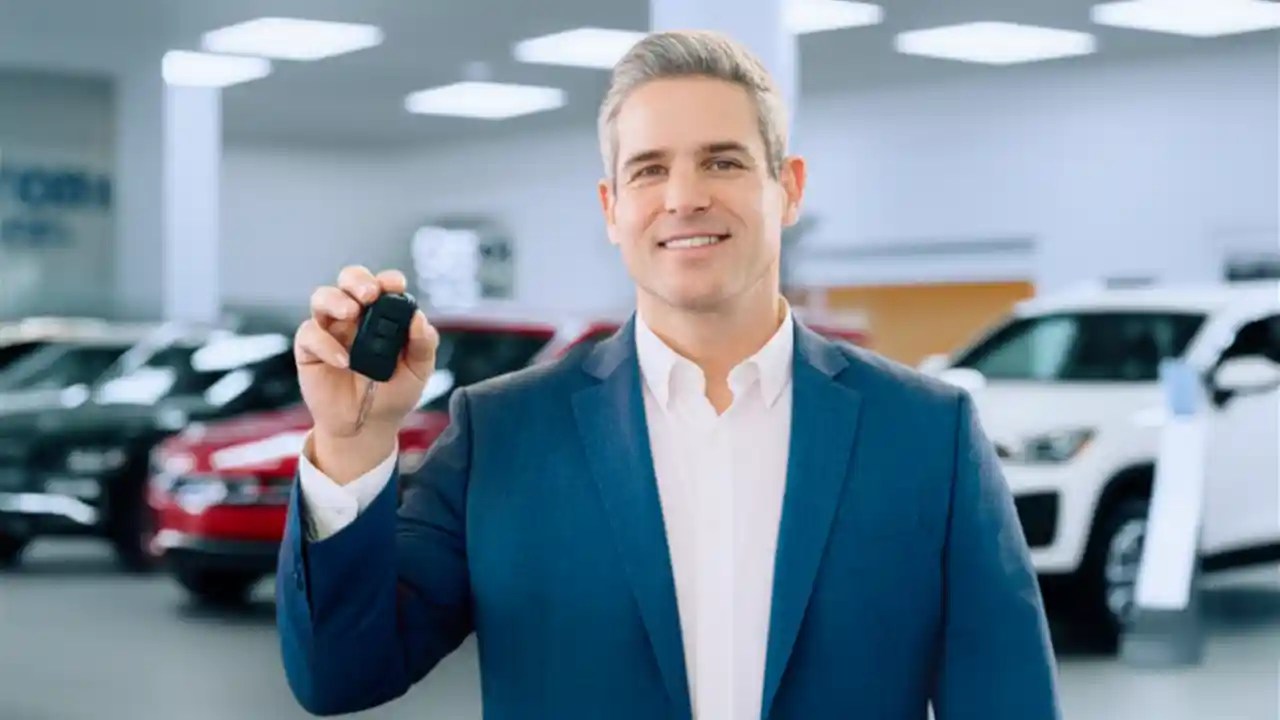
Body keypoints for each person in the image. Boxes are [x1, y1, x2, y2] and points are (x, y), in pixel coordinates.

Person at [278, 29, 1061, 720]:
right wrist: (351, 441)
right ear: (611, 206)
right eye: (649, 170)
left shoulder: (926, 435)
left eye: (722, 161)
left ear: (787, 188)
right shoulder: (504, 437)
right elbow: (340, 675)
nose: (684, 197)